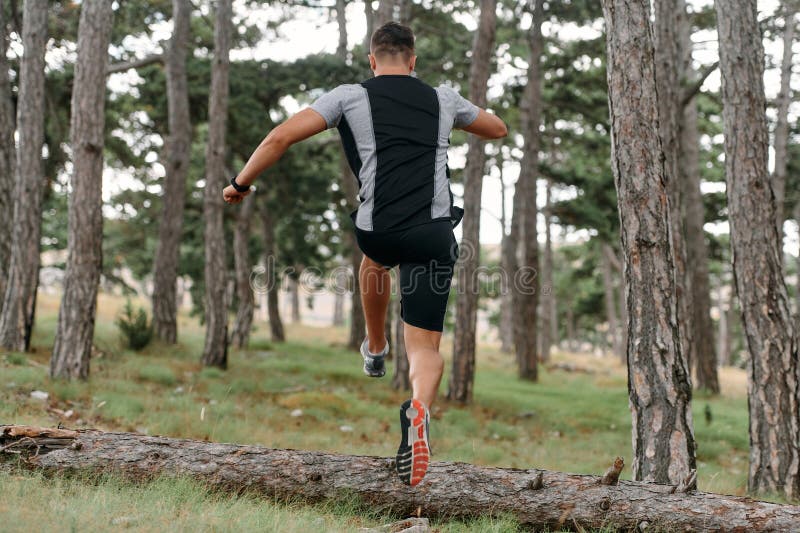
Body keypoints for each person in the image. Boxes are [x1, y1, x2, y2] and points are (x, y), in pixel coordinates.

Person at [223, 21, 507, 487]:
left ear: (373, 61)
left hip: (378, 230)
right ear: (413, 61)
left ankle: (375, 348)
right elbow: (497, 128)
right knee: (426, 346)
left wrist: (240, 184)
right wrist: (467, 111)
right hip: (433, 236)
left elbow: (280, 137)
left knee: (374, 261)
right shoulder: (442, 98)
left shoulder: (348, 96)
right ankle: (418, 409)